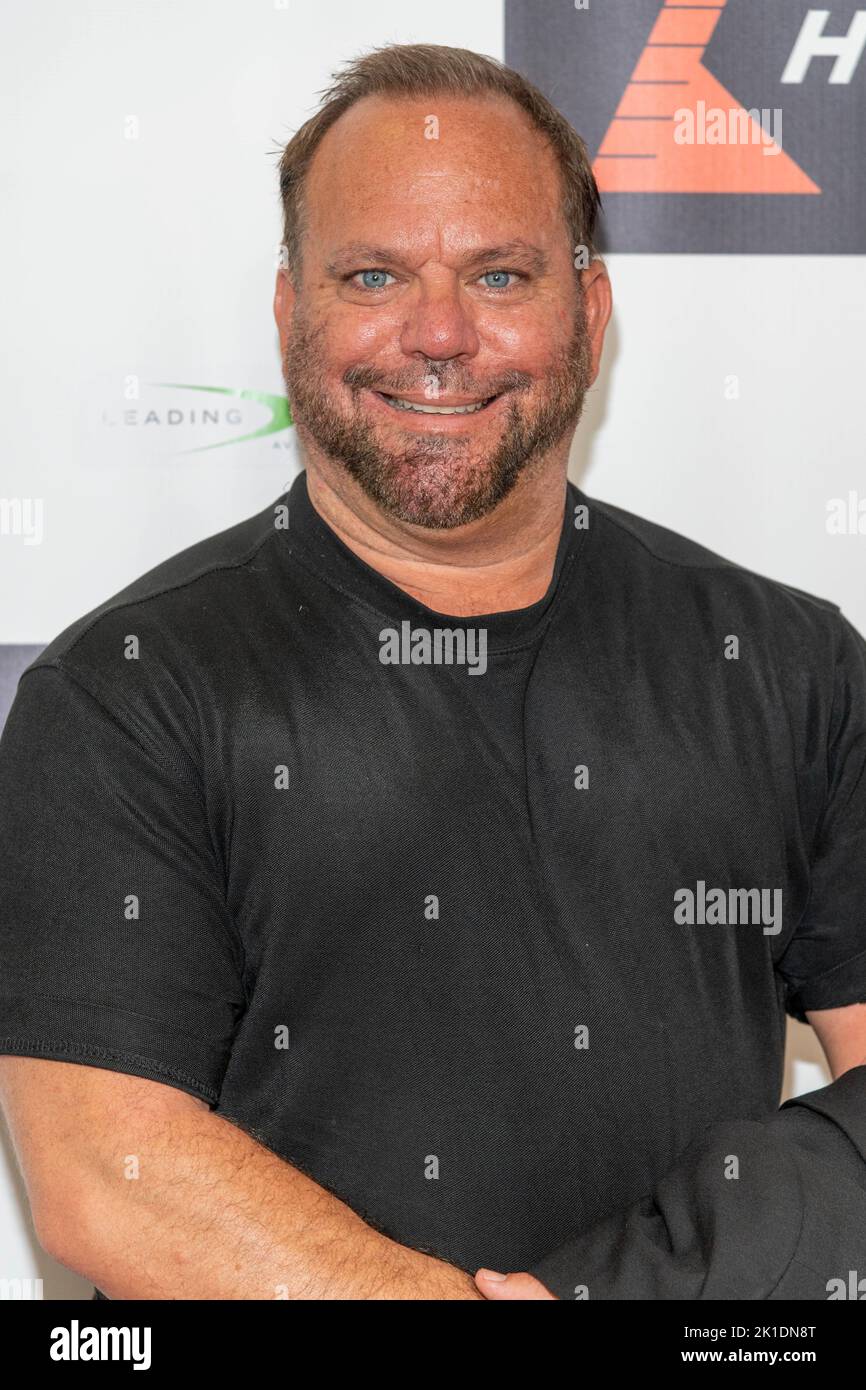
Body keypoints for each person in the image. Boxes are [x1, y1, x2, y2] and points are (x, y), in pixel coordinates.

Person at [1, 43, 865, 1302]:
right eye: (373, 275)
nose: (439, 334)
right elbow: (100, 1172)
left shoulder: (785, 665)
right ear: (289, 310)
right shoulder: (126, 692)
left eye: (499, 274)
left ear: (592, 309)